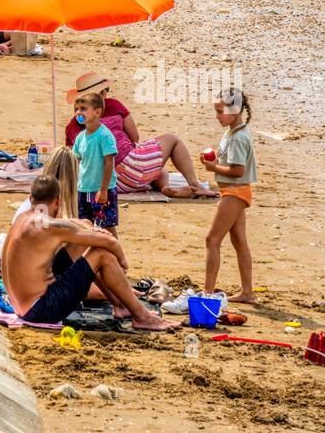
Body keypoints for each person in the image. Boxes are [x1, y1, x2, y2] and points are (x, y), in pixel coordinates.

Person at [1, 175, 179, 330]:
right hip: (40, 310)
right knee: (101, 254)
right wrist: (123, 262)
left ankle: (119, 305)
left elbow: (74, 224)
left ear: (31, 197)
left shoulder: (22, 219)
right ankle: (142, 317)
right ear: (57, 200)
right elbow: (110, 242)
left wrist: (88, 228)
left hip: (22, 306)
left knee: (79, 245)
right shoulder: (49, 226)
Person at [64, 72, 215, 198]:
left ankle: (165, 186)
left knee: (157, 167)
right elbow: (134, 137)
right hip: (130, 166)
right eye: (106, 91)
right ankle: (193, 184)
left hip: (108, 182)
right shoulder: (112, 105)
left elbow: (73, 160)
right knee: (172, 140)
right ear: (101, 94)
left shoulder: (72, 126)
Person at [201, 89, 258, 303]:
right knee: (239, 241)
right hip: (232, 191)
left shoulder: (238, 137)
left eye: (219, 111)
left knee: (212, 239)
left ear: (234, 111)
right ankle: (247, 292)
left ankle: (208, 291)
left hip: (235, 191)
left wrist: (213, 167)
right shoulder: (232, 132)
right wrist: (215, 161)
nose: (217, 116)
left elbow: (237, 170)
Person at [71, 93, 119, 232]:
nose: (78, 112)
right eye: (76, 109)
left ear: (97, 112)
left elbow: (109, 163)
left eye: (83, 108)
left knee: (107, 227)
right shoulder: (80, 137)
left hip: (102, 189)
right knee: (84, 226)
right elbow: (76, 160)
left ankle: (115, 253)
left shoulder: (104, 135)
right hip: (83, 188)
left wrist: (103, 190)